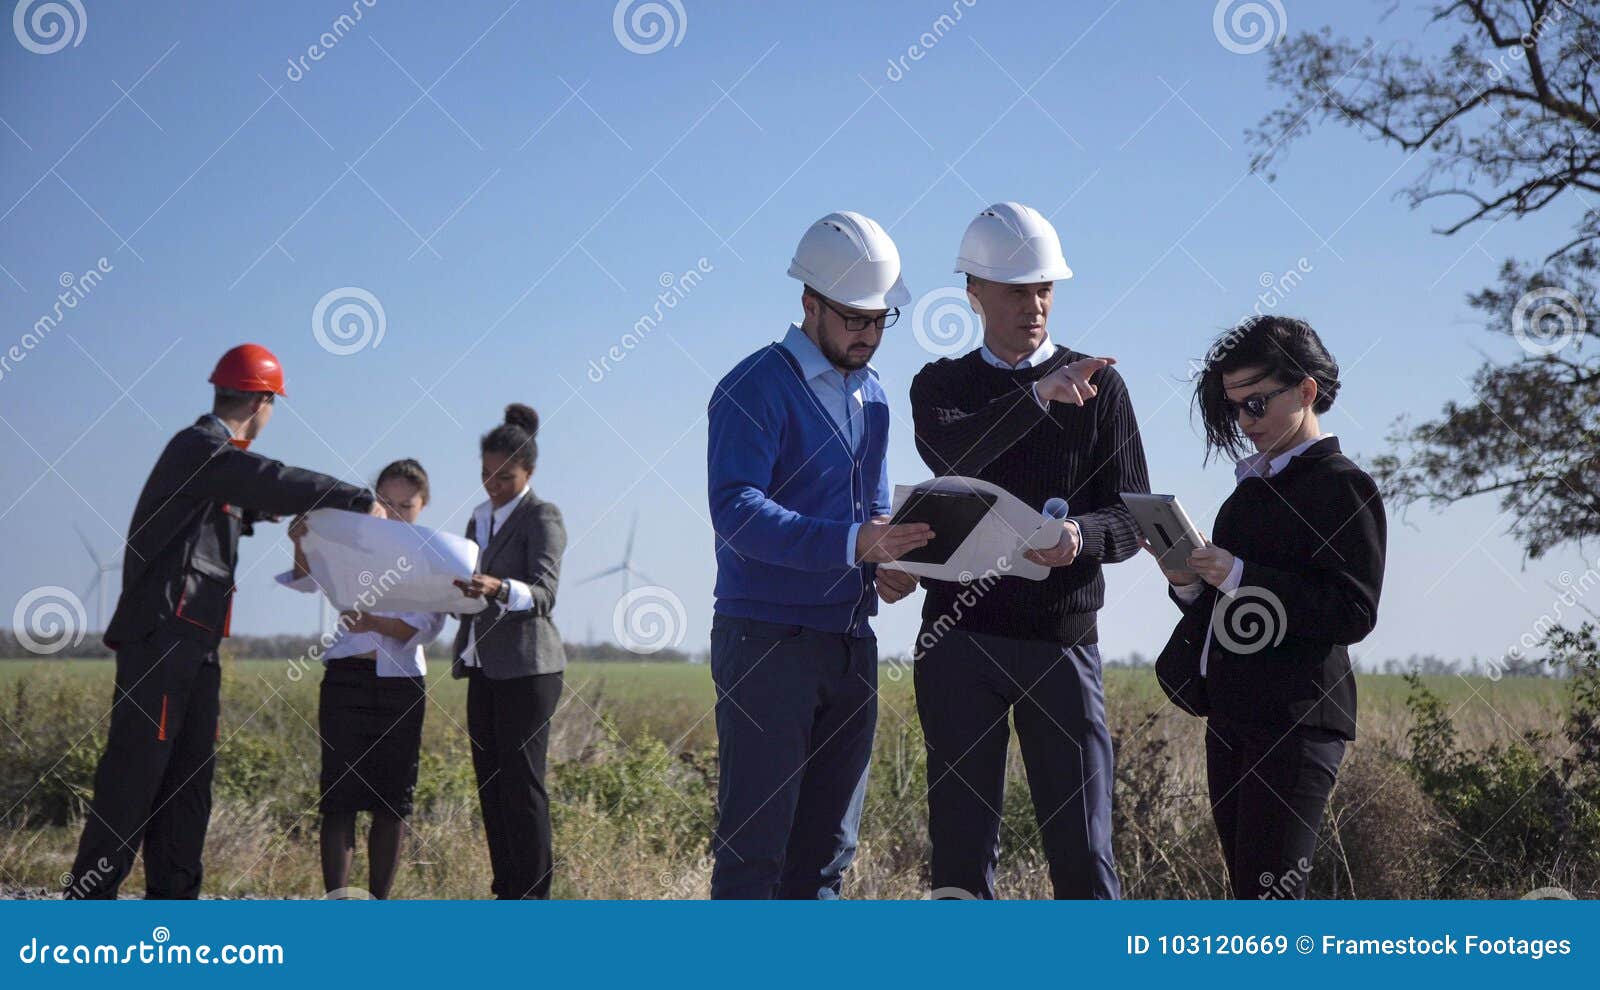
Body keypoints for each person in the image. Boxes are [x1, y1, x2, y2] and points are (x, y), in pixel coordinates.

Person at [65, 343, 385, 899]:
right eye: (273, 405)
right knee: (134, 777)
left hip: (198, 646)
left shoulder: (218, 469)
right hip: (161, 641)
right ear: (263, 400)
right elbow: (269, 478)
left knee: (188, 787)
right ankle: (85, 916)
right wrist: (357, 498)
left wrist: (318, 517)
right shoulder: (200, 449)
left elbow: (262, 496)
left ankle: (176, 914)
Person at [896, 202, 1148, 899]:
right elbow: (957, 449)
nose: (1034, 305)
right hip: (956, 644)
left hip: (1061, 642)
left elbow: (1131, 518)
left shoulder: (1102, 387)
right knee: (960, 856)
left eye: (1045, 288)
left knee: (1084, 855)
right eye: (1016, 290)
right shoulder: (939, 387)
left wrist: (1081, 538)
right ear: (973, 292)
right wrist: (1036, 396)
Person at [705, 210, 932, 899]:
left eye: (880, 320)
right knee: (756, 854)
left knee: (828, 857)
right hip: (766, 638)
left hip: (848, 643)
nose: (868, 334)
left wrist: (886, 554)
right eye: (854, 318)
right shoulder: (754, 385)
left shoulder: (877, 396)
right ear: (809, 303)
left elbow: (872, 511)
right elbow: (736, 510)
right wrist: (851, 543)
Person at [1149, 314, 1386, 900]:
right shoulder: (1249, 490)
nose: (1244, 421)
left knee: (1271, 905)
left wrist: (1237, 573)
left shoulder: (1343, 485)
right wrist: (1187, 584)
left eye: (1256, 403)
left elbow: (1353, 610)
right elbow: (1236, 612)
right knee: (1248, 896)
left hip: (1298, 721)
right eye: (1235, 407)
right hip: (1233, 716)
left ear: (1307, 391)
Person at [279, 458, 444, 899]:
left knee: (393, 802)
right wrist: (301, 539)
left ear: (423, 505)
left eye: (405, 506)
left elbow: (424, 625)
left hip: (401, 684)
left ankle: (378, 906)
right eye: (386, 503)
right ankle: (338, 902)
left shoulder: (435, 554)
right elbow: (306, 578)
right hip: (346, 679)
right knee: (339, 797)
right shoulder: (350, 543)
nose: (394, 514)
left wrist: (373, 621)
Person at [451, 403, 566, 900]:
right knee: (491, 785)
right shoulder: (478, 519)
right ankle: (507, 891)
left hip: (528, 669)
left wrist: (498, 588)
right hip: (481, 664)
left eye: (505, 476)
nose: (492, 484)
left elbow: (544, 595)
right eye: (485, 475)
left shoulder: (542, 516)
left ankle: (534, 895)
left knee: (522, 785)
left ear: (529, 472)